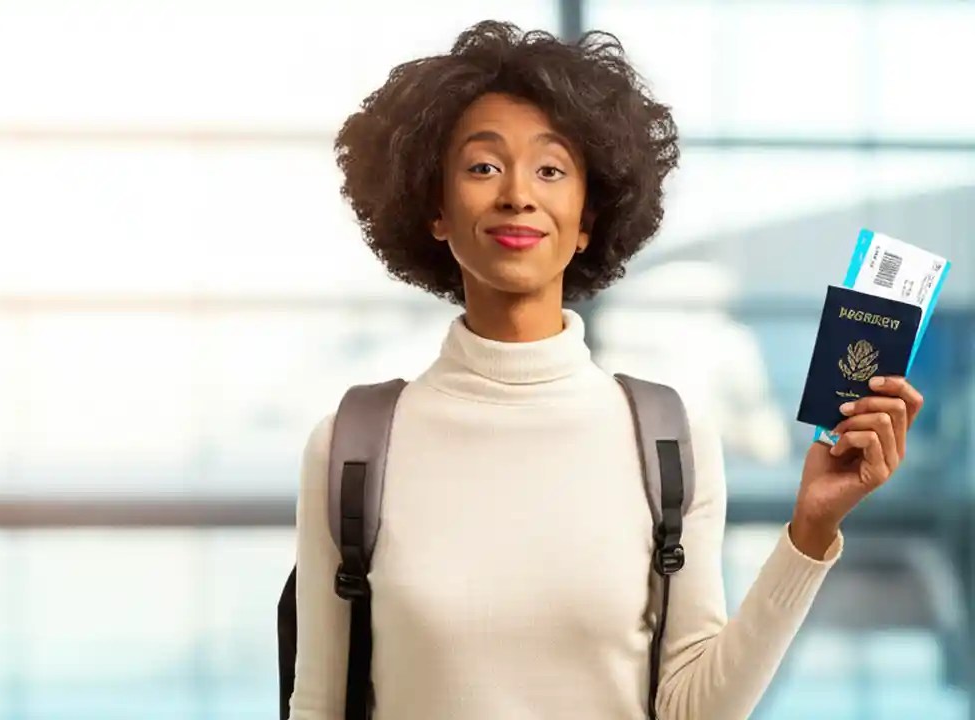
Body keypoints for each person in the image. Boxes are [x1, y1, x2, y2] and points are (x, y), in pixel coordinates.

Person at [287, 20, 926, 720]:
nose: (517, 195)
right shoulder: (352, 449)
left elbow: (694, 709)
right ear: (435, 208)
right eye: (482, 166)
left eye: (551, 169)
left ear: (588, 216)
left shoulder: (669, 442)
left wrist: (810, 529)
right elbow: (318, 703)